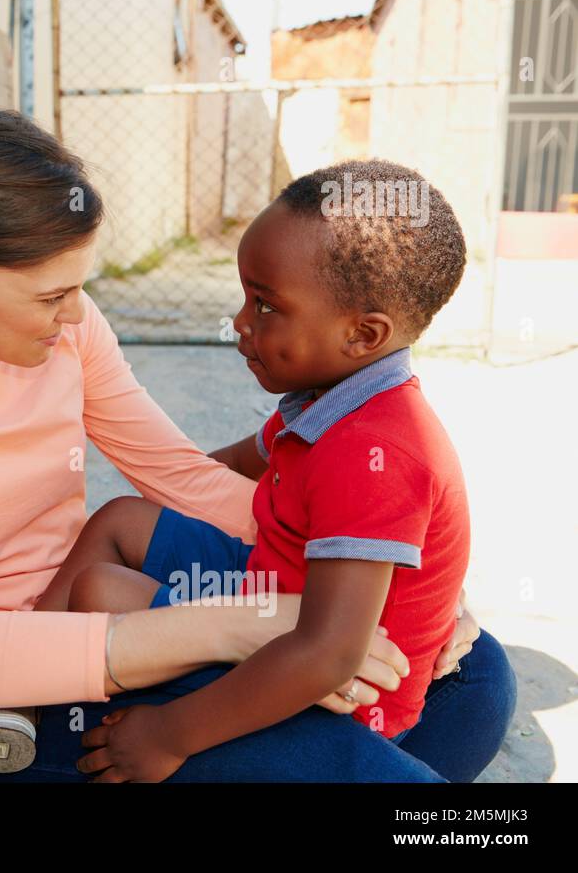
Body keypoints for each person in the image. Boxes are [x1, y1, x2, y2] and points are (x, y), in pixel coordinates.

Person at [0, 110, 512, 783]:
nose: (76, 315)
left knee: (478, 681)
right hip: (9, 674)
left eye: (77, 290)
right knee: (338, 754)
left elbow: (176, 474)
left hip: (106, 595)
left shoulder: (67, 323)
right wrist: (253, 629)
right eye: (52, 297)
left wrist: (388, 574)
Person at [25, 159, 498, 781]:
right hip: (271, 593)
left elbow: (328, 657)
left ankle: (58, 718)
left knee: (102, 592)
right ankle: (20, 690)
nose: (241, 324)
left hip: (328, 693)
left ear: (364, 334)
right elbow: (224, 470)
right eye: (247, 296)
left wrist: (170, 734)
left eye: (268, 306)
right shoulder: (326, 401)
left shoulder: (375, 451)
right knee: (120, 522)